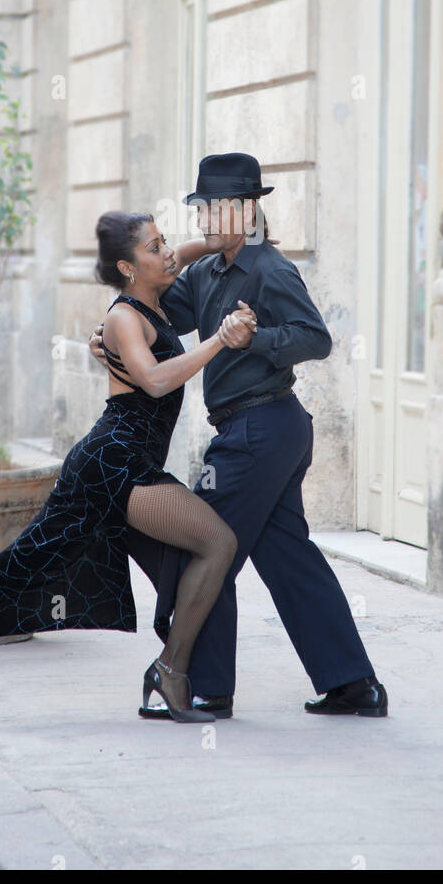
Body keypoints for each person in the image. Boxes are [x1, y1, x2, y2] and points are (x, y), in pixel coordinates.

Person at [0, 210, 256, 725]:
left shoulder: (153, 297)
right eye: (154, 247)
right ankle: (169, 671)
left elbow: (186, 252)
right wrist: (217, 339)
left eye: (164, 241)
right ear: (127, 268)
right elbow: (152, 381)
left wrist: (216, 240)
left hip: (125, 459)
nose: (167, 251)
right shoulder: (125, 317)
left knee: (22, 563)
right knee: (214, 543)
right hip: (113, 462)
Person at [89, 152, 388, 719]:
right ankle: (352, 683)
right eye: (200, 208)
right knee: (287, 558)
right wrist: (110, 333)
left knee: (207, 543)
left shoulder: (269, 269)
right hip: (258, 431)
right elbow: (156, 313)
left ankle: (204, 685)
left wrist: (254, 341)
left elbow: (315, 339)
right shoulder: (207, 272)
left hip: (262, 428)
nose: (203, 219)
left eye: (214, 209)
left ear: (247, 210)